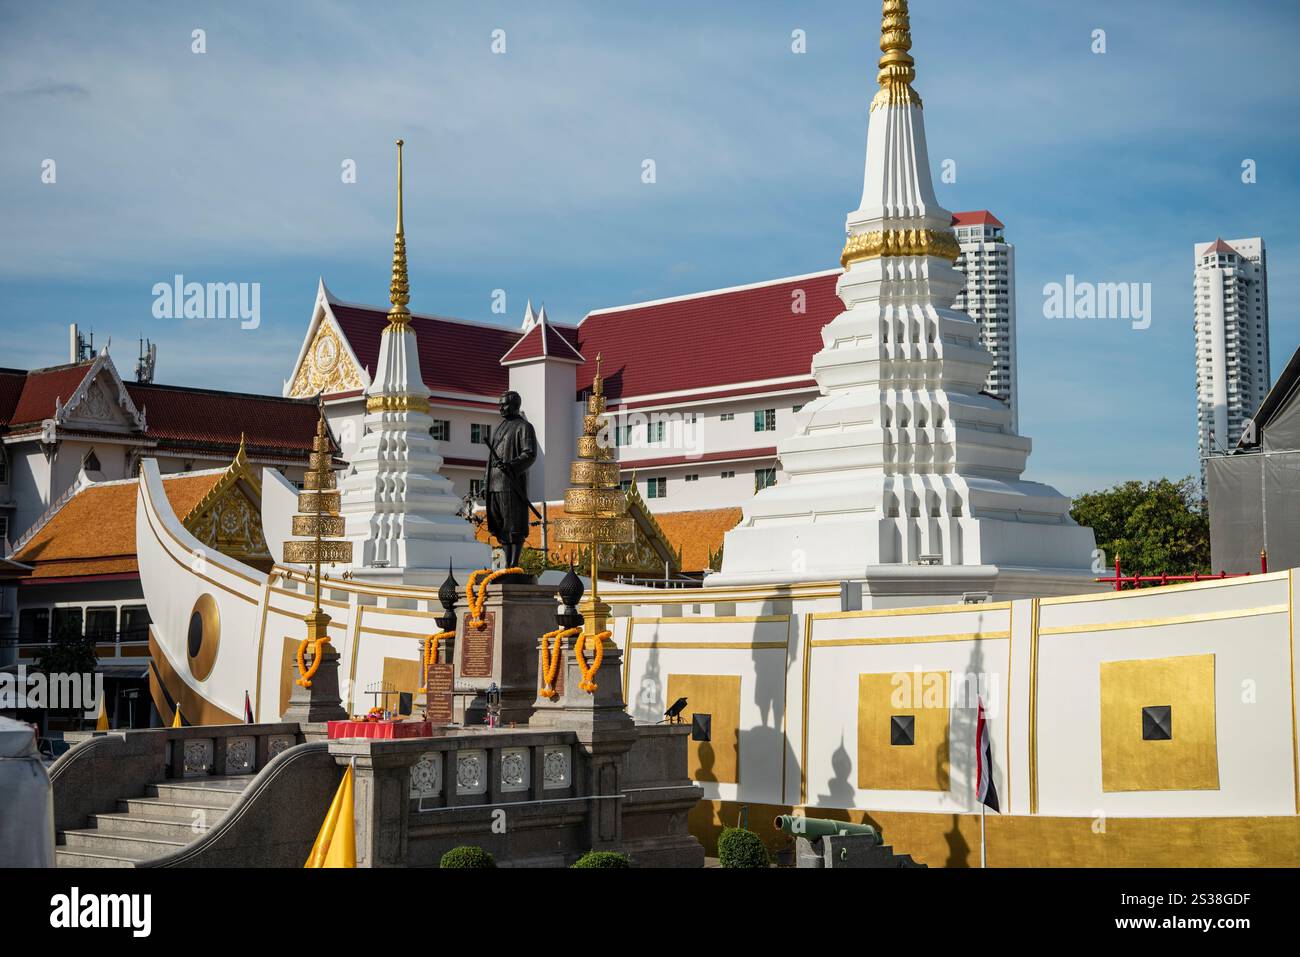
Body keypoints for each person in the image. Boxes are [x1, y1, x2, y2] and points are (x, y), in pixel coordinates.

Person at [484, 391, 537, 570]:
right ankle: (507, 563)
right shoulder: (500, 427)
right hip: (494, 484)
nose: (500, 408)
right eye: (499, 404)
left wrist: (512, 465)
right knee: (500, 525)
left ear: (515, 406)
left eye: (504, 404)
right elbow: (491, 459)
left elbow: (529, 454)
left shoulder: (524, 427)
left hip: (510, 484)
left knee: (514, 524)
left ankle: (514, 563)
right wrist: (486, 482)